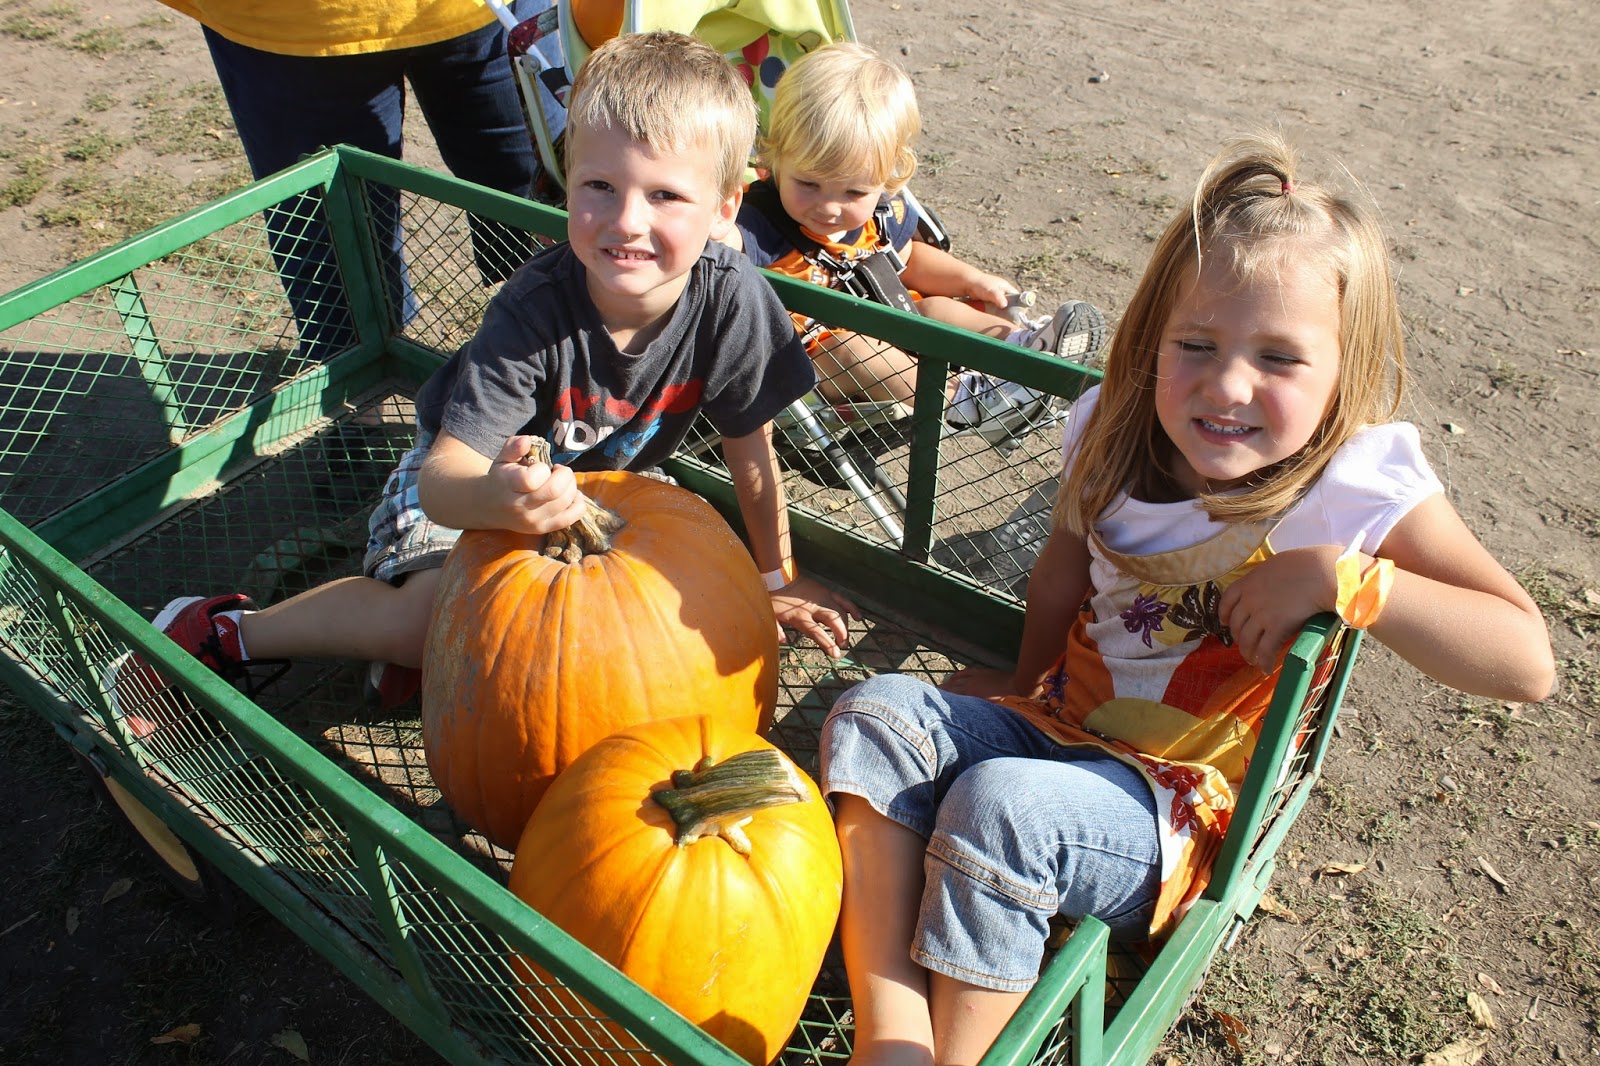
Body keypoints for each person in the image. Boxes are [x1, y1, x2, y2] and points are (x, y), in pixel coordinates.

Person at [819, 132, 1556, 1065]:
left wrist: (1349, 577)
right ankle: (894, 1036)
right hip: (1061, 725)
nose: (1227, 385)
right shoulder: (1112, 430)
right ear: (1153, 336)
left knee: (1004, 805)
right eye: (1196, 344)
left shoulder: (1353, 483)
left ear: (1343, 370)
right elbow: (1059, 567)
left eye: (1280, 358)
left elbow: (1528, 660)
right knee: (879, 713)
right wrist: (1021, 678)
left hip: (1178, 811)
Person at [109, 30, 860, 722]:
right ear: (568, 179)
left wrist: (775, 578)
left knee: (666, 599)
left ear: (726, 205)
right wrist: (494, 500)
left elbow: (750, 450)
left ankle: (453, 650)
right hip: (470, 484)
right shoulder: (533, 313)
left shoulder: (733, 299)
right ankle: (228, 629)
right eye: (599, 186)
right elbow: (445, 475)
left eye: (664, 195)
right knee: (423, 621)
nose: (626, 220)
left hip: (597, 494)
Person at [728, 41, 1108, 446]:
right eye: (808, 184)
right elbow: (722, 246)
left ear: (886, 180)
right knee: (852, 349)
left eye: (854, 192)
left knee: (934, 308)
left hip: (888, 337)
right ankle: (968, 404)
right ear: (776, 159)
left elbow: (906, 261)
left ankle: (1025, 358)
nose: (830, 207)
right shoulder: (759, 220)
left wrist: (971, 281)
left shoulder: (880, 213)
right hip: (806, 373)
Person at [159, 0, 553, 358]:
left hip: (476, 13)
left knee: (527, 194)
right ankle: (364, 397)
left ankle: (540, 353)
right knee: (333, 230)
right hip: (298, 27)